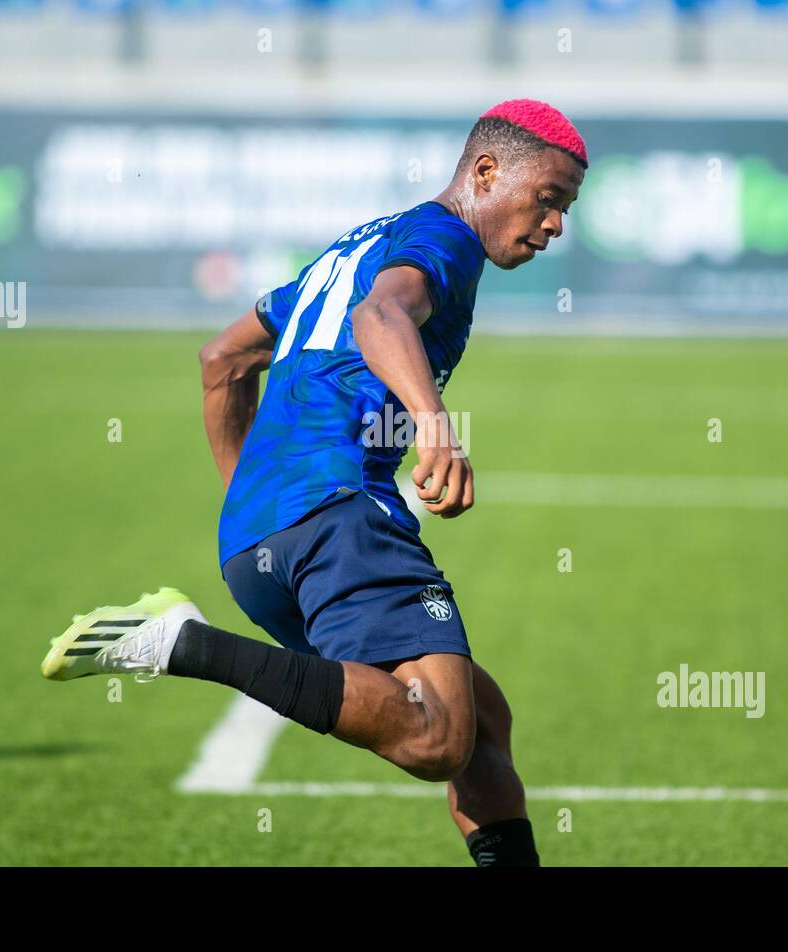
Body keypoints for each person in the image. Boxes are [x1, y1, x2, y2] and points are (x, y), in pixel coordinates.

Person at [42, 99, 587, 867]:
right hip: (338, 510)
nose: (557, 224)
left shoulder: (355, 245)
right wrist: (433, 423)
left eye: (566, 207)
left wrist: (255, 506)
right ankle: (183, 644)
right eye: (550, 199)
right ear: (487, 172)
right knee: (438, 735)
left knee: (481, 721)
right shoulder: (444, 239)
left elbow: (221, 361)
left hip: (258, 544)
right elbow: (381, 316)